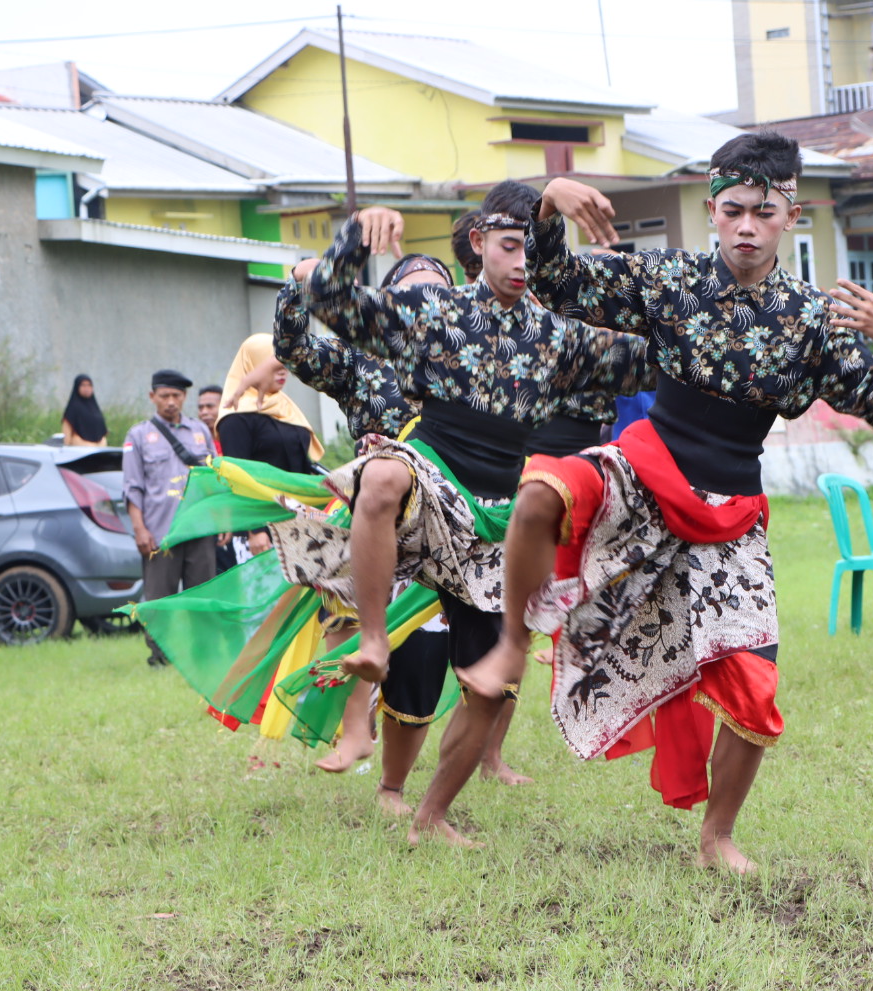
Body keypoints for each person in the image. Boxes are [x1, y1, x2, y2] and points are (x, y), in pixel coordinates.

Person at [459, 132, 873, 873]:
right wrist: (549, 204)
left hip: (731, 504)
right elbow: (560, 282)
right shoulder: (667, 279)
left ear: (789, 215)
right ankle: (512, 639)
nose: (746, 226)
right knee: (542, 491)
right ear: (710, 210)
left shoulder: (811, 317)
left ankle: (718, 836)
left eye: (762, 213)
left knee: (755, 685)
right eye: (732, 210)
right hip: (646, 467)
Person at [274, 179, 650, 848]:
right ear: (478, 244)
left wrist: (667, 296)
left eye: (530, 249)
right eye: (508, 246)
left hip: (500, 510)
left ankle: (432, 814)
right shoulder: (435, 310)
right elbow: (333, 302)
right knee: (384, 474)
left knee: (490, 683)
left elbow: (655, 361)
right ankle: (370, 640)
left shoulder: (558, 336)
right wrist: (355, 237)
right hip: (434, 472)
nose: (521, 262)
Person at [275, 247, 530, 796]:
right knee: (377, 629)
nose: (423, 300)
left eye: (435, 291)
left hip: (456, 521)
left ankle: (431, 781)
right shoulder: (359, 358)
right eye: (409, 290)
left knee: (460, 662)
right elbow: (292, 348)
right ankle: (370, 755)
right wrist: (299, 281)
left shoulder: (472, 354)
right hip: (382, 514)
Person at [124, 370, 217, 666]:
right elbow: (132, 488)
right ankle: (161, 656)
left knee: (202, 597)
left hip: (200, 528)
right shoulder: (138, 435)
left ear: (184, 397)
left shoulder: (199, 431)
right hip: (160, 532)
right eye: (164, 396)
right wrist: (139, 528)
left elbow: (216, 478)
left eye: (176, 395)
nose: (171, 402)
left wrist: (220, 518)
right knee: (159, 599)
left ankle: (202, 654)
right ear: (153, 397)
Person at [217, 334, 324, 559]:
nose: (283, 371)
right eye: (272, 365)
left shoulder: (285, 407)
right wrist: (254, 531)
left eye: (284, 365)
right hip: (261, 529)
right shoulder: (237, 416)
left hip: (299, 523)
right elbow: (239, 477)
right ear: (253, 366)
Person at [61, 374, 107, 447]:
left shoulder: (95, 408)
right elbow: (67, 431)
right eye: (83, 385)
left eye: (89, 385)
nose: (87, 388)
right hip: (81, 450)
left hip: (99, 450)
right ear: (77, 387)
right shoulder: (73, 408)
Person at [196, 385, 224, 455]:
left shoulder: (235, 439)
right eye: (200, 408)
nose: (204, 412)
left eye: (210, 407)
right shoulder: (193, 440)